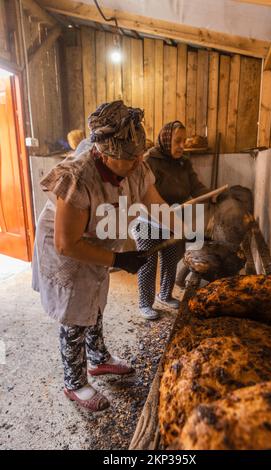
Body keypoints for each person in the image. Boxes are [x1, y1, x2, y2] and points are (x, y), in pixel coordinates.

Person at [32, 101, 172, 412]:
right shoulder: (76, 178)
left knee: (94, 300)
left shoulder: (136, 165)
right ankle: (74, 382)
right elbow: (67, 244)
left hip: (97, 240)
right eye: (129, 158)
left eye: (139, 155)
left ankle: (98, 359)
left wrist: (187, 226)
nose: (137, 162)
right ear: (104, 154)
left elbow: (157, 206)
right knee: (74, 314)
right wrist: (119, 261)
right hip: (65, 247)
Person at [132, 121, 208, 320]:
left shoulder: (184, 161)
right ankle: (145, 303)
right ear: (166, 140)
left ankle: (165, 295)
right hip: (149, 219)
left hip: (174, 219)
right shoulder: (150, 161)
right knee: (147, 263)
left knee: (171, 260)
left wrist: (210, 195)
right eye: (178, 141)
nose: (182, 146)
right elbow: (145, 194)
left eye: (184, 141)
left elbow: (195, 186)